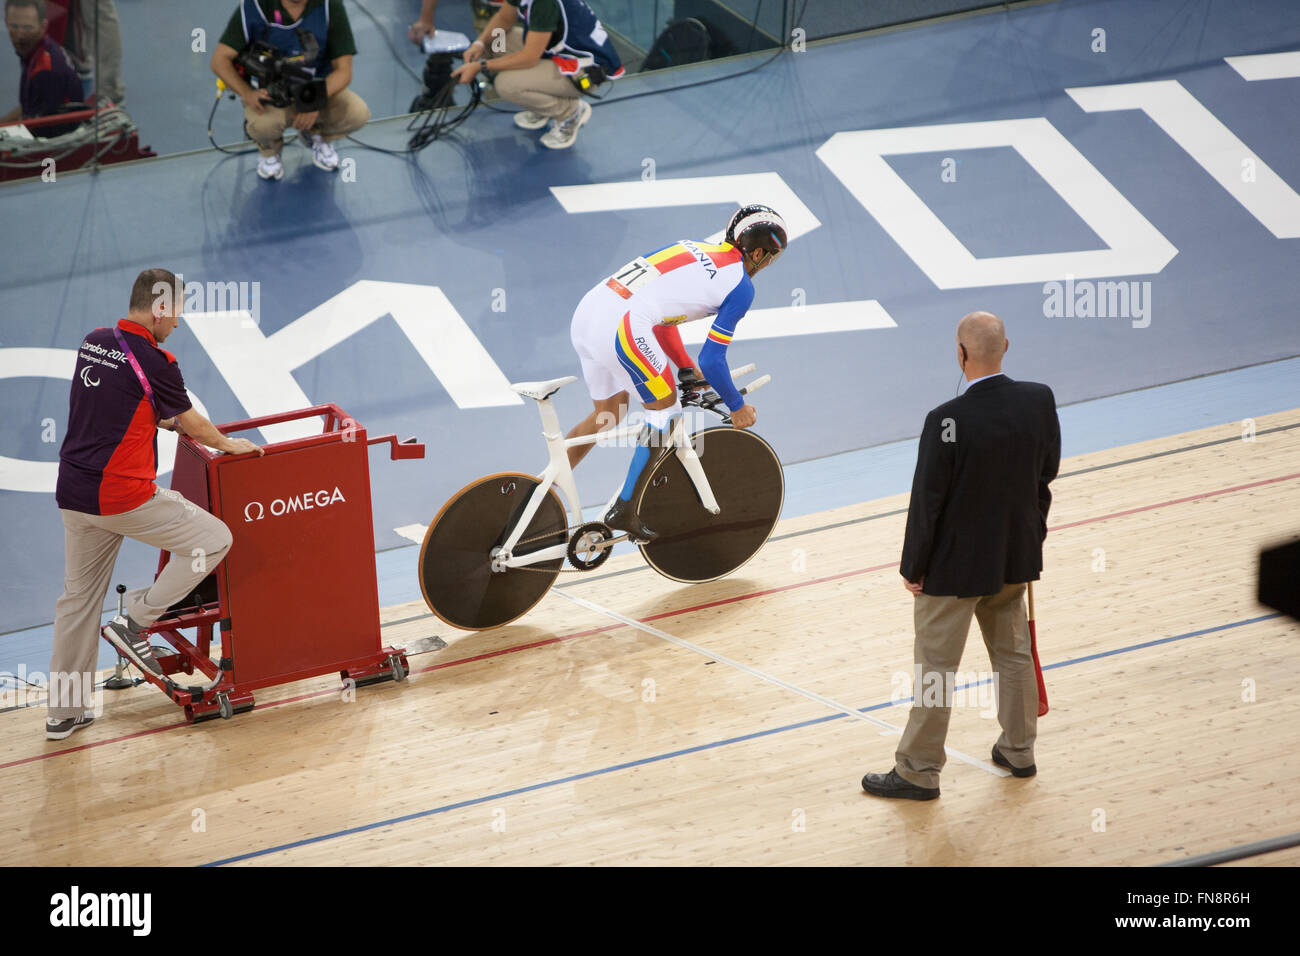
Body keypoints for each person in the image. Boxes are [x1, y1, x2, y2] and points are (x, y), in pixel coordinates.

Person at [46, 268, 263, 741]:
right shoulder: (157, 360)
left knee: (78, 601)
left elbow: (111, 401)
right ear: (160, 309)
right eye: (177, 315)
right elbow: (193, 423)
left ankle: (64, 713)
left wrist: (153, 420)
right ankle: (137, 620)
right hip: (123, 497)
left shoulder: (94, 341)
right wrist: (230, 445)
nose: (178, 325)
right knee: (213, 539)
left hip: (73, 494)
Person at [862, 311, 1060, 799]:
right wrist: (1031, 534)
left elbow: (927, 501)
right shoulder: (1039, 400)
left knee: (935, 670)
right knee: (1013, 655)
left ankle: (917, 770)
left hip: (951, 569)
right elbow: (1044, 475)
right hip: (1013, 558)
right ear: (1006, 346)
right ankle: (1020, 750)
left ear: (960, 353)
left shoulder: (946, 421)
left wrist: (913, 567)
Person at [567, 204, 786, 541]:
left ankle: (543, 491)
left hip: (588, 314)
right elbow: (713, 360)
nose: (769, 265)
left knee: (610, 412)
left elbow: (664, 318)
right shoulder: (741, 287)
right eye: (771, 258)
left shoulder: (693, 246)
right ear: (757, 252)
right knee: (666, 413)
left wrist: (685, 367)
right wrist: (736, 406)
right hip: (621, 327)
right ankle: (624, 509)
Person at [210, 0, 369, 181]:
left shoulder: (329, 5)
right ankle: (269, 151)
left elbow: (344, 71)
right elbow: (219, 60)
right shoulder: (255, 6)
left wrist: (313, 101)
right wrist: (246, 92)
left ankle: (316, 134)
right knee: (263, 127)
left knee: (357, 113)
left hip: (313, 88)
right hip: (271, 93)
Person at [451, 0, 622, 150]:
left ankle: (569, 113)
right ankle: (542, 105)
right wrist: (479, 44)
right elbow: (504, 18)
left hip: (584, 72)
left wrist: (482, 66)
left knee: (506, 85)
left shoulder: (545, 3)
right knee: (495, 40)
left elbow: (529, 58)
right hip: (555, 54)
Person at [2, 0, 84, 134]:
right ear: (5, 23)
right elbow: (30, 109)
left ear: (43, 26)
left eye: (28, 28)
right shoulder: (36, 50)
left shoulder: (45, 70)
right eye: (14, 26)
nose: (20, 35)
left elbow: (40, 129)